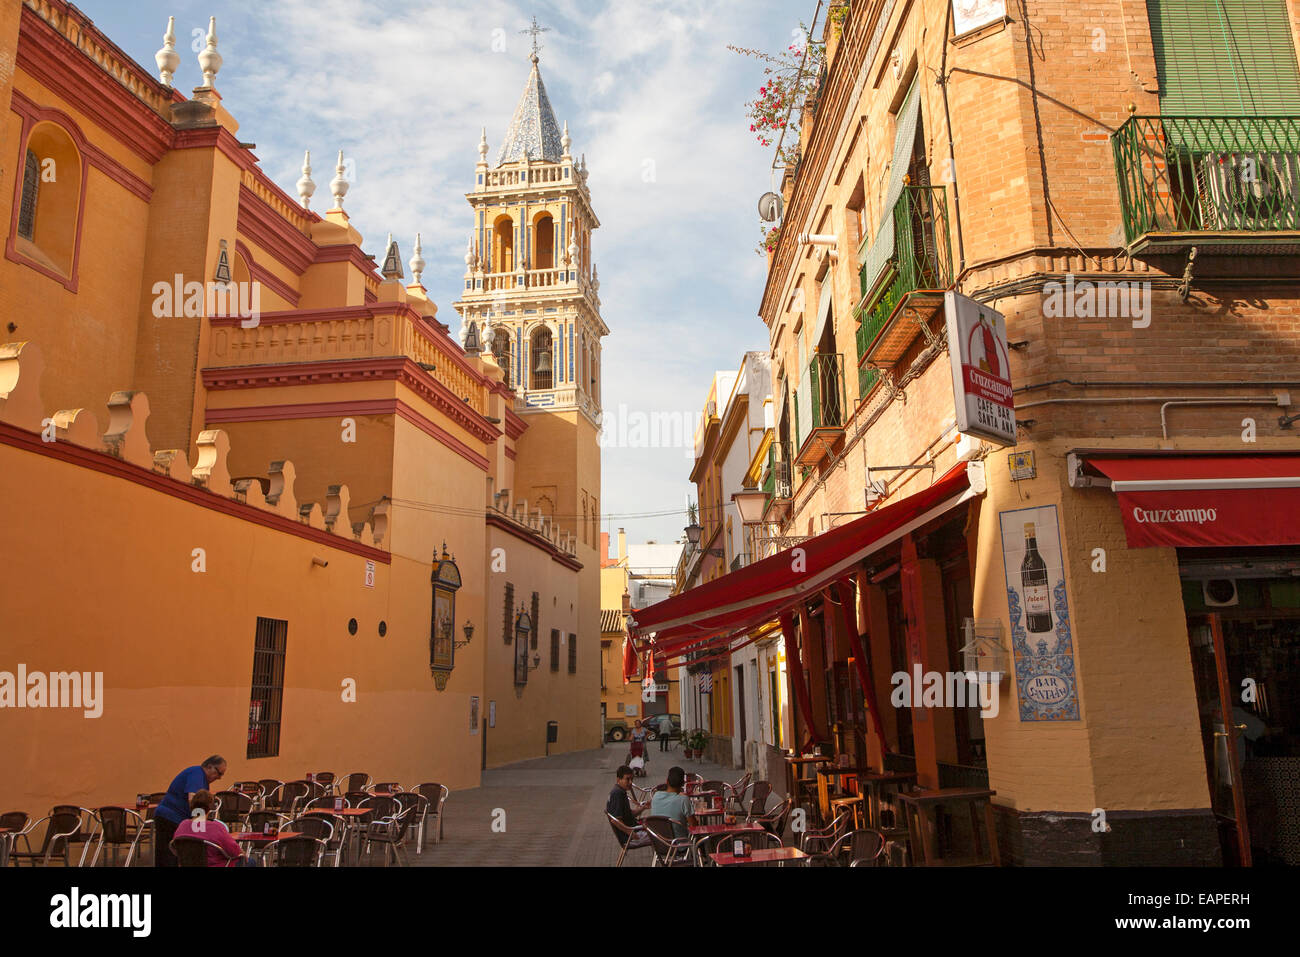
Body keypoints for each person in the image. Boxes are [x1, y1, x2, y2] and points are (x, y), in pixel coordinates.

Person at [153, 755, 226, 867]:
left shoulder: (200, 778)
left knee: (168, 855)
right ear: (209, 766)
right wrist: (199, 826)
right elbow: (194, 799)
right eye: (219, 773)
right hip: (170, 817)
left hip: (171, 816)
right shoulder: (197, 774)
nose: (219, 777)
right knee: (169, 856)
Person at [171, 790, 257, 867]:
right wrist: (243, 854)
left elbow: (176, 849)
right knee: (250, 862)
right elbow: (234, 852)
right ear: (210, 808)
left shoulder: (182, 825)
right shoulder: (216, 827)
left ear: (192, 806)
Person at [649, 765, 698, 839]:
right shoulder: (683, 800)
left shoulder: (656, 796)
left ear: (666, 781)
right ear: (683, 784)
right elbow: (694, 826)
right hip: (679, 844)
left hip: (660, 842)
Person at [605, 765, 650, 845]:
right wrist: (632, 834)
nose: (630, 782)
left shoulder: (620, 791)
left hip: (633, 830)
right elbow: (615, 820)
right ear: (618, 779)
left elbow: (629, 814)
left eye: (632, 779)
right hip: (629, 837)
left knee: (654, 825)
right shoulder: (617, 794)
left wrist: (643, 808)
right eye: (627, 779)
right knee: (660, 837)